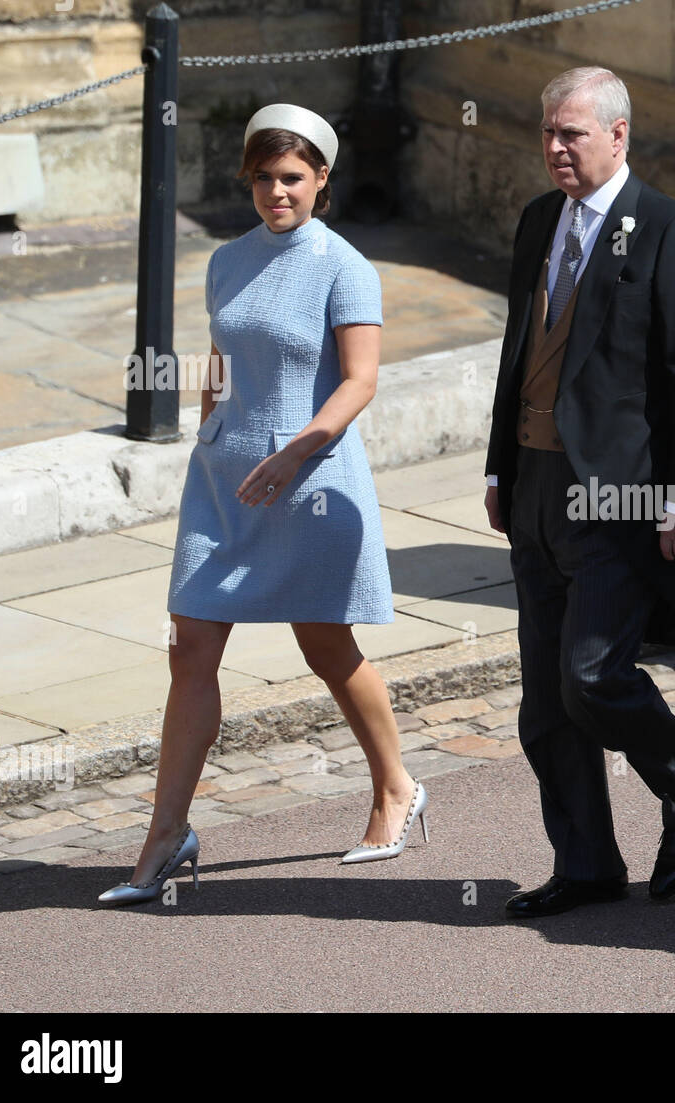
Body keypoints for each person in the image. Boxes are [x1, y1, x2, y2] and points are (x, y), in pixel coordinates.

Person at [99, 103, 427, 906]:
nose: (276, 192)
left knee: (326, 645)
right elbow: (222, 362)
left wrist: (291, 453)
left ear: (321, 178)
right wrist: (212, 433)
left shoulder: (346, 265)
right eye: (263, 178)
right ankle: (165, 834)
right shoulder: (226, 260)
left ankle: (396, 787)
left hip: (310, 482)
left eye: (292, 177)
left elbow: (360, 381)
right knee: (190, 646)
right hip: (224, 485)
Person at [484, 67, 675, 917]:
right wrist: (497, 467)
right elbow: (520, 349)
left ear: (618, 135)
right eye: (548, 132)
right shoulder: (536, 222)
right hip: (535, 485)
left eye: (573, 134)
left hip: (622, 493)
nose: (555, 148)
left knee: (592, 672)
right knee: (547, 705)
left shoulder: (670, 231)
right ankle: (586, 862)